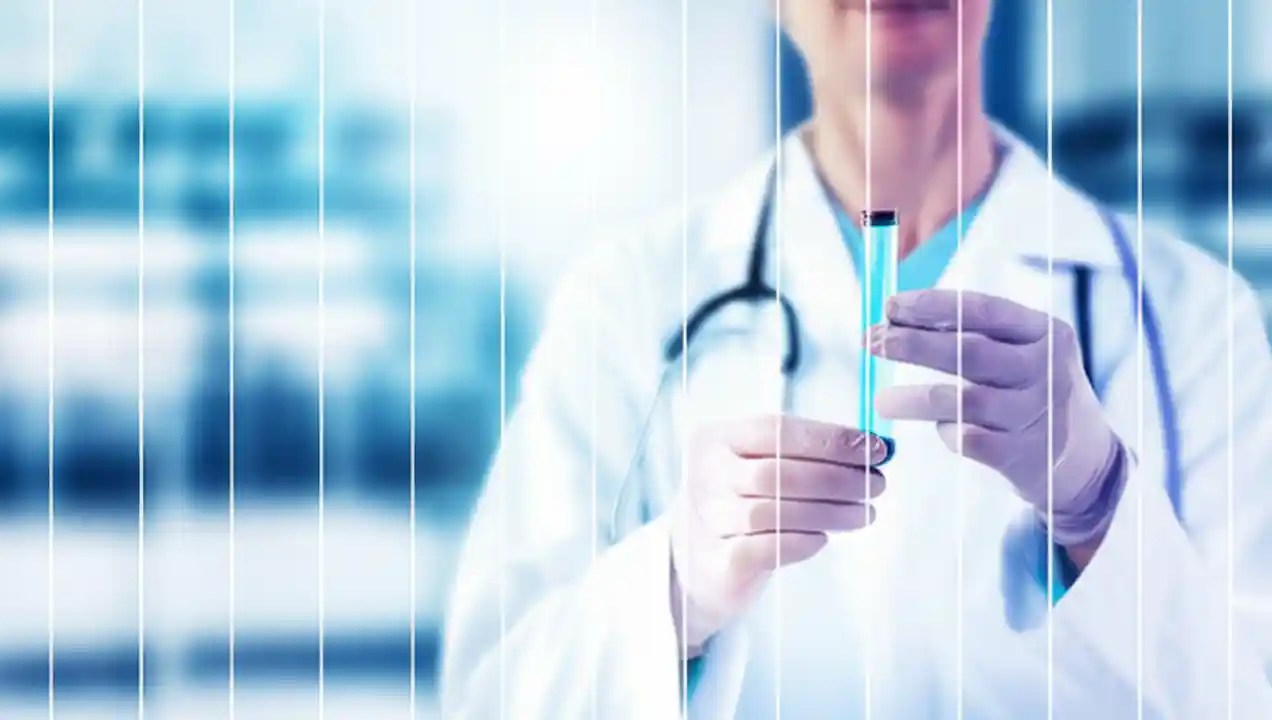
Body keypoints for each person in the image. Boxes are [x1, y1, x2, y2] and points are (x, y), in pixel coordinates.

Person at [441, 1, 1272, 717]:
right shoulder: (628, 302)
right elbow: (495, 694)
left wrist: (1100, 507)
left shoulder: (1191, 318)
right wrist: (671, 588)